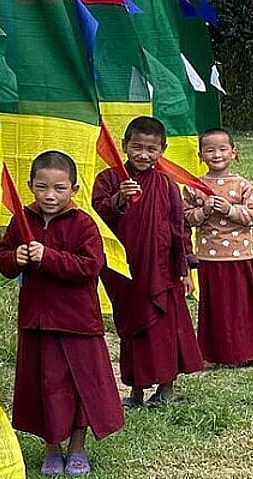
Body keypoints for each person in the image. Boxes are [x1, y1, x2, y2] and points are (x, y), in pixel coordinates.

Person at [0, 151, 124, 476]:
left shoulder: (84, 224)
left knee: (81, 386)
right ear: (30, 186)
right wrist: (18, 258)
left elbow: (91, 267)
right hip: (38, 322)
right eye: (41, 187)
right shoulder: (21, 221)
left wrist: (48, 257)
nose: (50, 196)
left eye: (59, 188)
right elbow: (3, 261)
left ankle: (78, 447)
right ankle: (52, 448)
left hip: (78, 322)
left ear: (74, 189)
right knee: (46, 386)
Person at [93, 116, 203, 408]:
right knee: (132, 328)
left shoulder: (167, 184)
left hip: (163, 271)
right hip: (126, 271)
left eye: (151, 149)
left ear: (162, 150)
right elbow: (97, 219)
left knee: (166, 330)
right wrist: (119, 199)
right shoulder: (108, 179)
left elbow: (179, 227)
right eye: (137, 147)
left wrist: (186, 269)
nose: (143, 154)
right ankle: (136, 391)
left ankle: (166, 389)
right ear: (124, 146)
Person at [182, 128, 253, 367]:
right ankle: (216, 353)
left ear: (234, 152)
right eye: (209, 150)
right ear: (200, 155)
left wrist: (231, 211)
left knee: (242, 305)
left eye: (222, 149)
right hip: (209, 258)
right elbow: (185, 217)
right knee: (215, 308)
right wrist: (205, 210)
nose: (217, 154)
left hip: (239, 256)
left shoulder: (242, 185)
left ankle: (247, 351)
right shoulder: (194, 186)